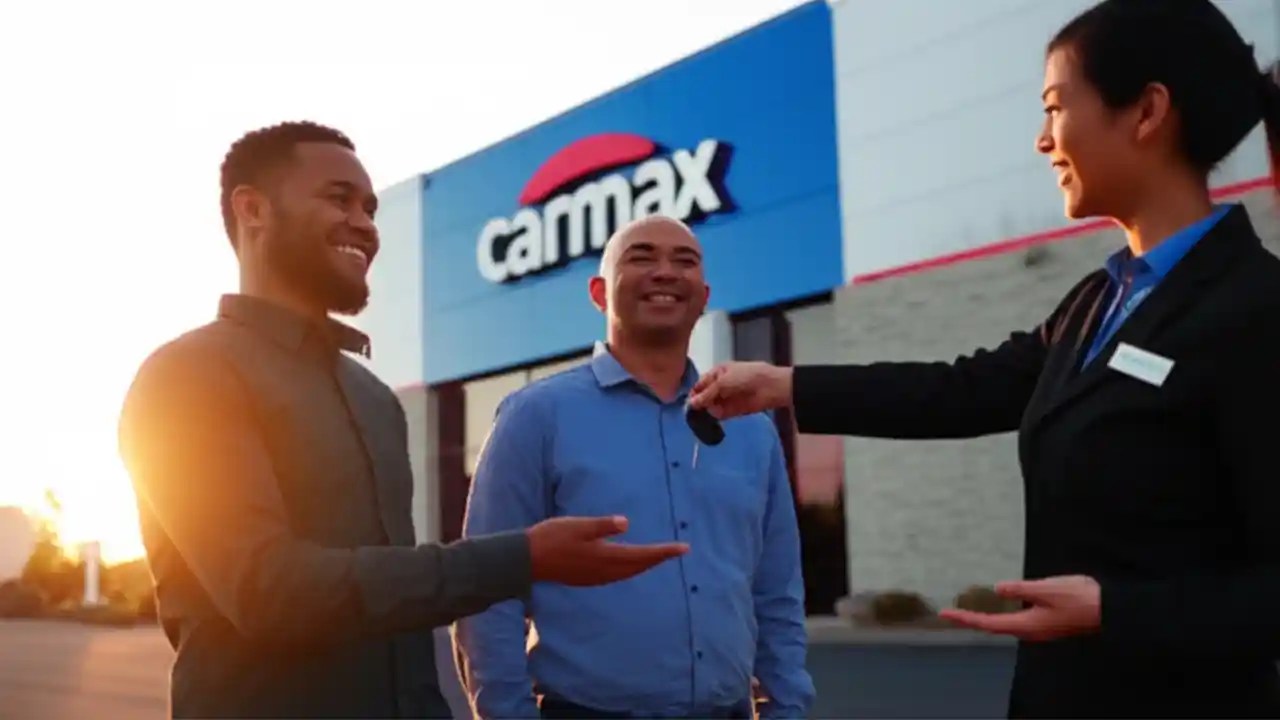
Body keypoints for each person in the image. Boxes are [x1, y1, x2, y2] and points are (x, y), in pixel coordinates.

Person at [690, 1, 1280, 717]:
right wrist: (781, 383)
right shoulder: (1097, 299)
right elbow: (962, 390)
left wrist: (1117, 609)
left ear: (1148, 111)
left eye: (1056, 107)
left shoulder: (1254, 309)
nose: (1042, 140)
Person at [117, 121, 688, 720]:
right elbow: (269, 592)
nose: (365, 224)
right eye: (339, 199)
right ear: (253, 209)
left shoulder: (371, 397)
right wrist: (518, 558)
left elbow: (398, 616)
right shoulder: (185, 376)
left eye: (369, 208)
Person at [451, 215, 815, 720]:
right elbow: (487, 588)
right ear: (599, 293)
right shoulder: (534, 416)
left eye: (683, 261)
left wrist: (788, 703)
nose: (665, 272)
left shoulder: (750, 427)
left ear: (703, 296)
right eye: (641, 257)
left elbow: (776, 588)